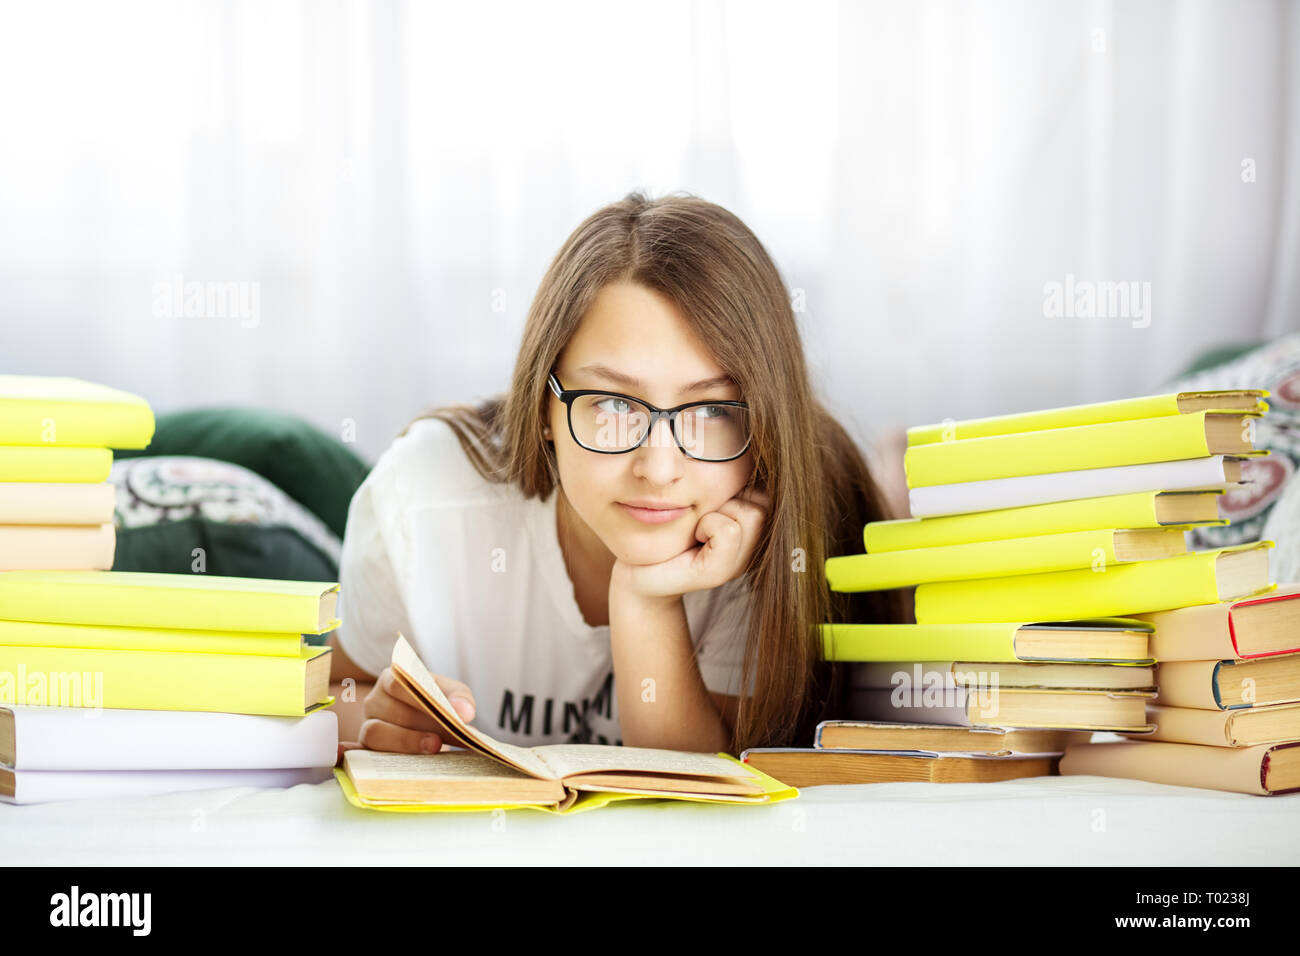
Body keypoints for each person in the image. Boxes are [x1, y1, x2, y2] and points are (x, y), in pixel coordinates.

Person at [327, 191, 902, 757]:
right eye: (615, 405)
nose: (658, 468)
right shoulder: (420, 498)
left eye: (710, 412)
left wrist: (645, 597)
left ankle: (892, 465)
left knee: (904, 514)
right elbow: (337, 688)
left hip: (863, 510)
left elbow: (697, 785)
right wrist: (383, 716)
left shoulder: (778, 524)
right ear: (543, 404)